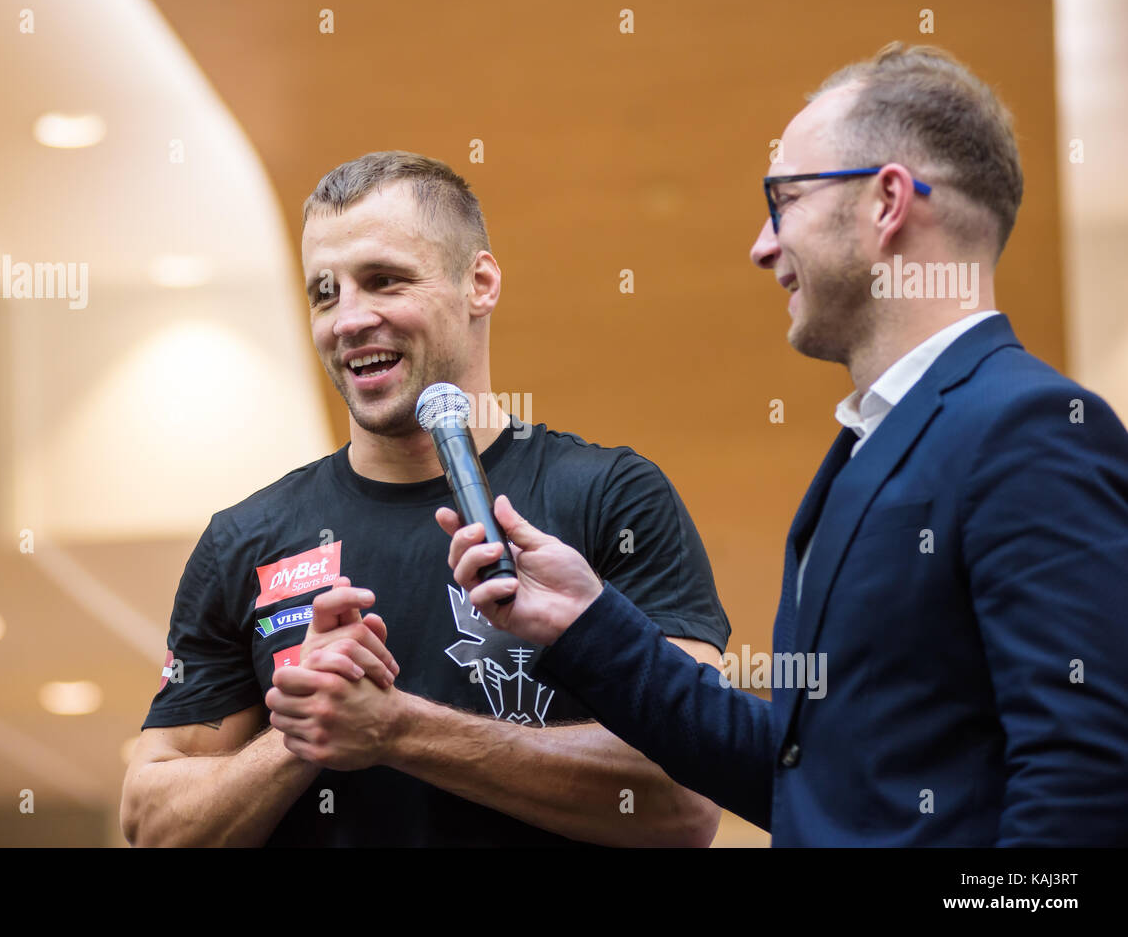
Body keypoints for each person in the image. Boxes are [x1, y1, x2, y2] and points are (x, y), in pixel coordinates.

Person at [439, 43, 1128, 845]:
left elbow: (1086, 784)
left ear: (888, 201)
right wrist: (584, 623)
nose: (762, 246)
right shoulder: (876, 445)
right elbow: (807, 771)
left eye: (785, 200)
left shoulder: (1031, 431)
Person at [119, 151, 731, 846]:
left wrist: (399, 728)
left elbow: (685, 798)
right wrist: (304, 729)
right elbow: (153, 826)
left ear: (480, 282)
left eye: (383, 281)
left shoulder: (608, 497)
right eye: (325, 291)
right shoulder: (247, 538)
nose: (348, 319)